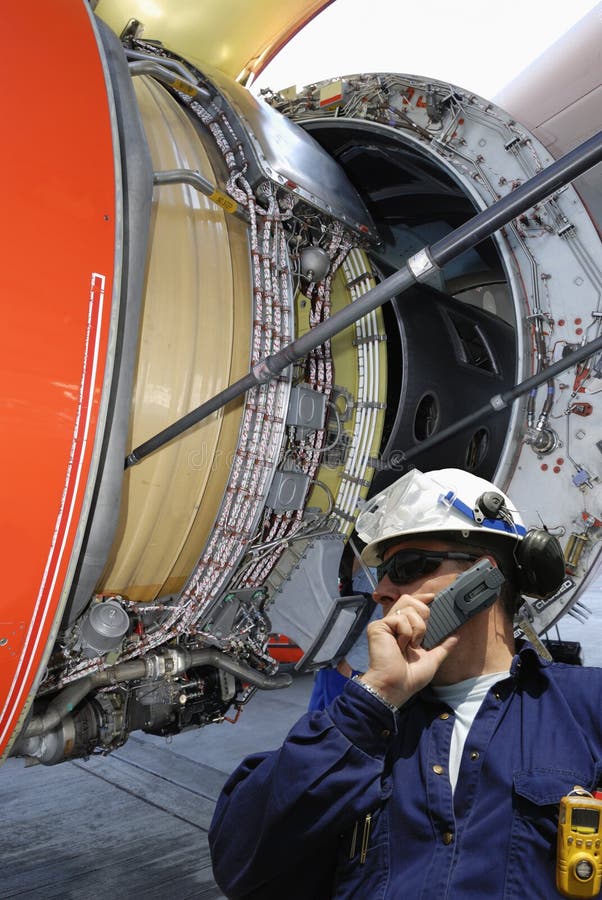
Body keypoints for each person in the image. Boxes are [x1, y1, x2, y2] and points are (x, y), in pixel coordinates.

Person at [209, 467, 602, 899]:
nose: (381, 590)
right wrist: (373, 701)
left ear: (482, 578)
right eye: (382, 573)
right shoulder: (360, 728)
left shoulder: (587, 708)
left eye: (406, 566)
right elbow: (238, 864)